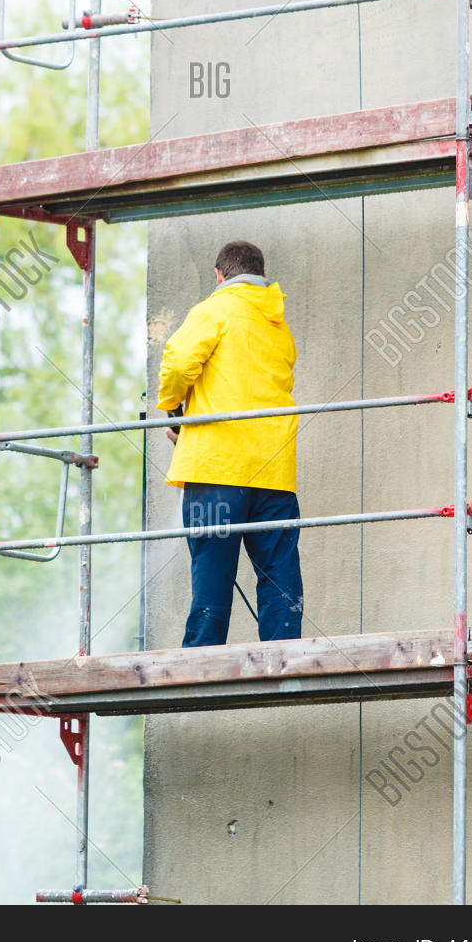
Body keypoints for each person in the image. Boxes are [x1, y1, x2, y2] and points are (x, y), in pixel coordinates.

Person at [157, 240, 303, 648]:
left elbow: (181, 361)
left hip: (217, 467)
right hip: (274, 470)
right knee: (278, 568)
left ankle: (202, 658)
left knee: (213, 571)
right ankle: (284, 650)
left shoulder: (214, 309)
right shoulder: (278, 324)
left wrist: (172, 406)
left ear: (219, 275)